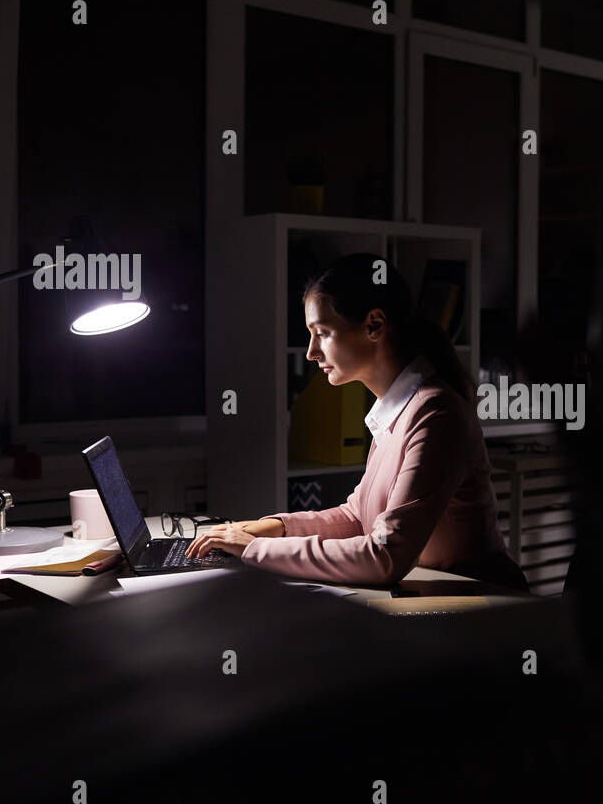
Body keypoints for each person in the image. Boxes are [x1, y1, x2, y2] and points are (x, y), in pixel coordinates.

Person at [186, 253, 528, 591]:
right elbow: (357, 517)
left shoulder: (436, 414)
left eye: (322, 332)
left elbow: (384, 554)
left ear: (374, 325)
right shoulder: (397, 408)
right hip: (435, 599)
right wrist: (274, 527)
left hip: (485, 609)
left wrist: (253, 549)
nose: (311, 352)